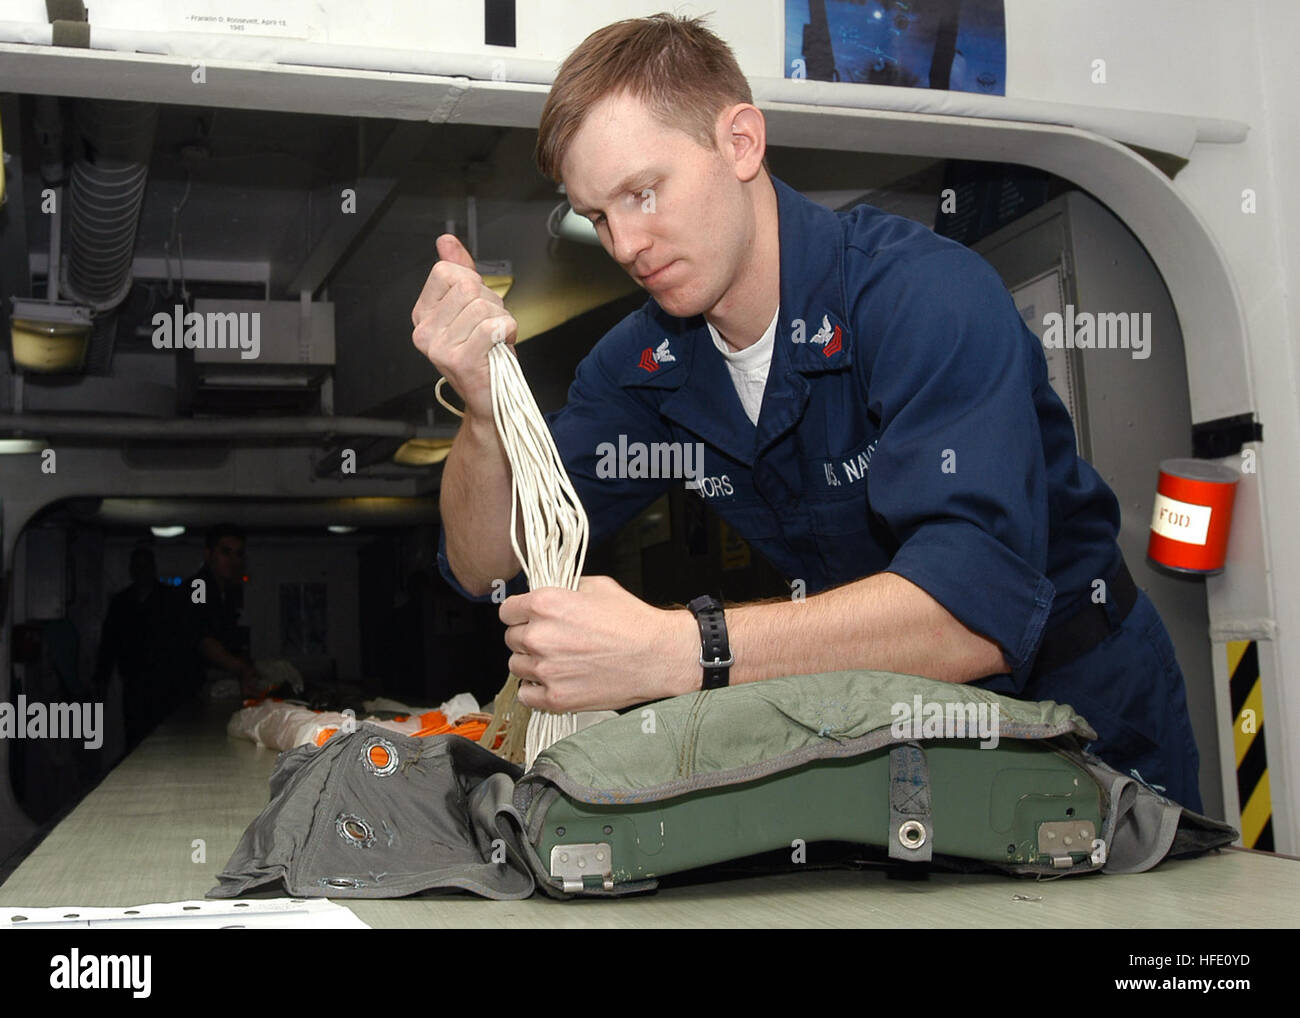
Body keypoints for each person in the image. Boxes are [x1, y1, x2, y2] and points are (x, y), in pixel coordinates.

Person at [411, 14, 1202, 810]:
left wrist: (683, 649)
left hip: (1082, 719)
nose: (625, 243)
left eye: (643, 193)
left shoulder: (922, 296)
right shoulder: (645, 363)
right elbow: (486, 565)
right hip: (881, 725)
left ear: (742, 143)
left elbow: (976, 614)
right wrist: (482, 414)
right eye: (599, 215)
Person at [94, 546, 175, 748]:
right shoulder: (121, 603)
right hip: (133, 683)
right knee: (135, 736)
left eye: (145, 566)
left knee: (165, 736)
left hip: (165, 683)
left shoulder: (169, 599)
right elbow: (108, 645)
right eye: (137, 567)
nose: (141, 571)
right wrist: (101, 682)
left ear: (153, 569)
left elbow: (181, 641)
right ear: (131, 570)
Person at [186, 523, 261, 698]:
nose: (233, 561)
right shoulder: (199, 587)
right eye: (226, 552)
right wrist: (241, 668)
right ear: (208, 554)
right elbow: (203, 639)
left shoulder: (226, 593)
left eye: (239, 554)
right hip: (184, 692)